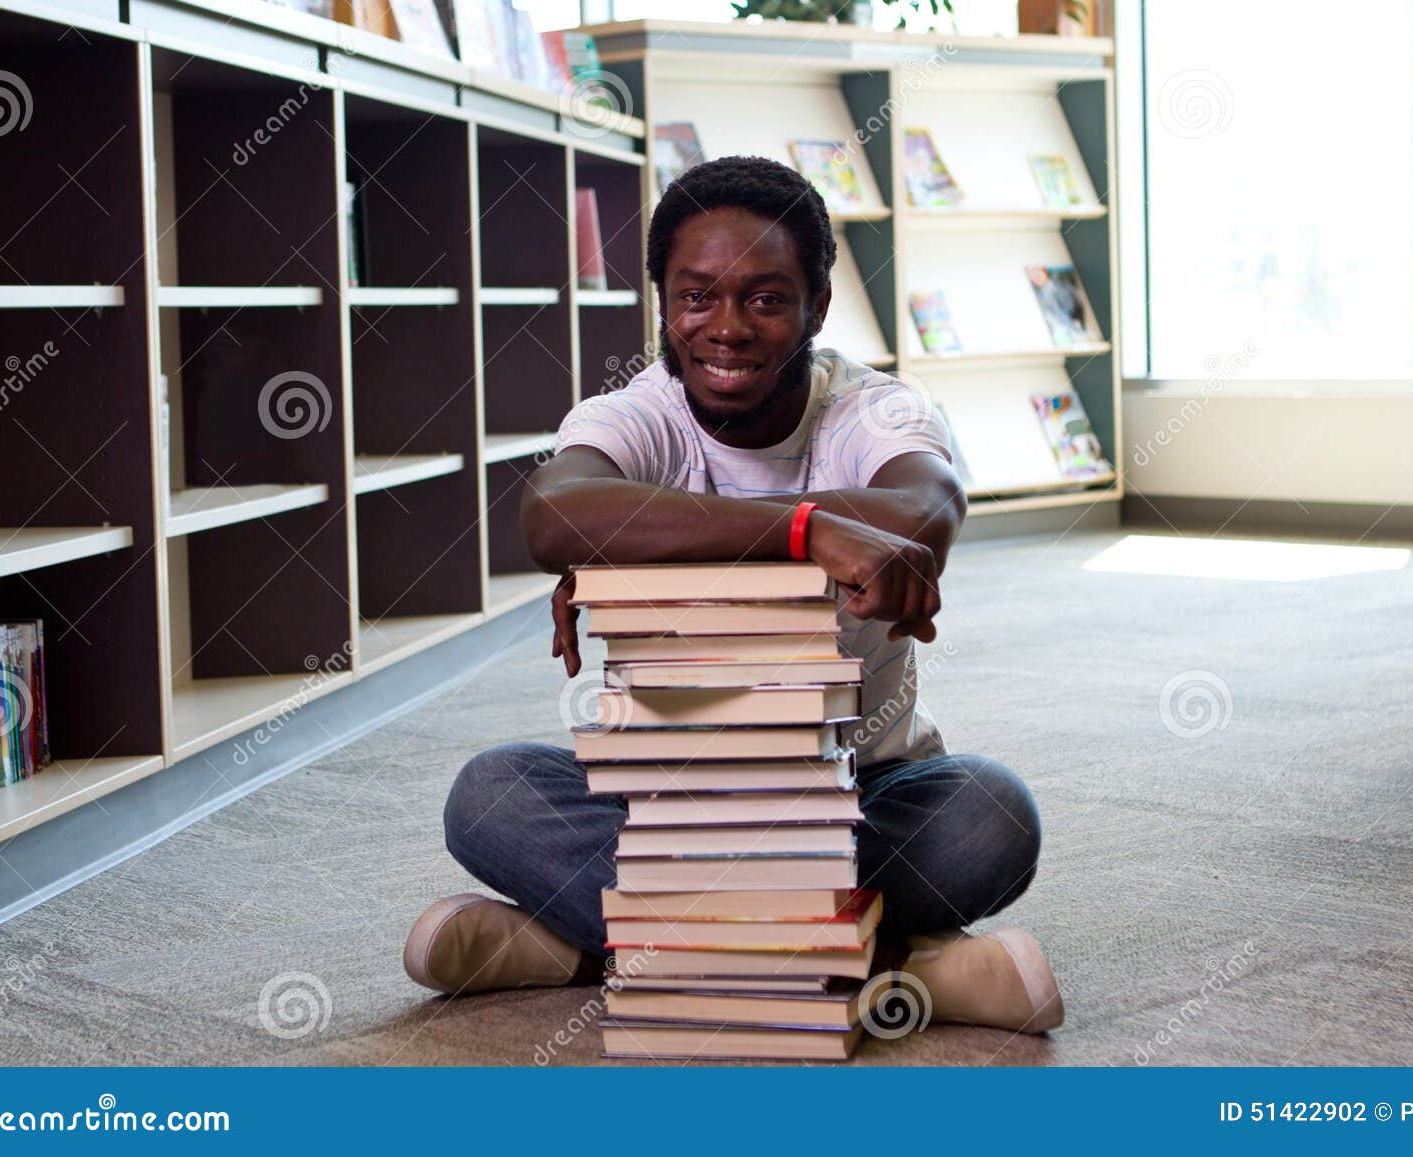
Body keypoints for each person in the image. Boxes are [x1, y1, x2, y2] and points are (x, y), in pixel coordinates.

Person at [402, 155, 1063, 1034]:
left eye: (765, 298)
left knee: (989, 812)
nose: (726, 328)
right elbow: (555, 510)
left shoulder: (871, 411)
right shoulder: (638, 414)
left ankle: (588, 949)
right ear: (664, 305)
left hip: (862, 789)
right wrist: (804, 534)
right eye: (696, 295)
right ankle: (902, 961)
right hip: (664, 805)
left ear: (817, 308)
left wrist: (644, 541)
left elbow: (924, 508)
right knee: (488, 793)